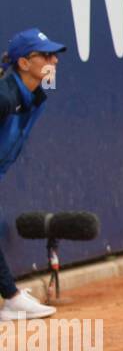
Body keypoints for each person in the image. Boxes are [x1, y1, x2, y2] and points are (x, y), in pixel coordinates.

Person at [0, 28, 64, 321]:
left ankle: (11, 297)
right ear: (24, 63)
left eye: (55, 54)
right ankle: (11, 298)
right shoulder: (4, 96)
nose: (54, 60)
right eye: (46, 55)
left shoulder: (35, 94)